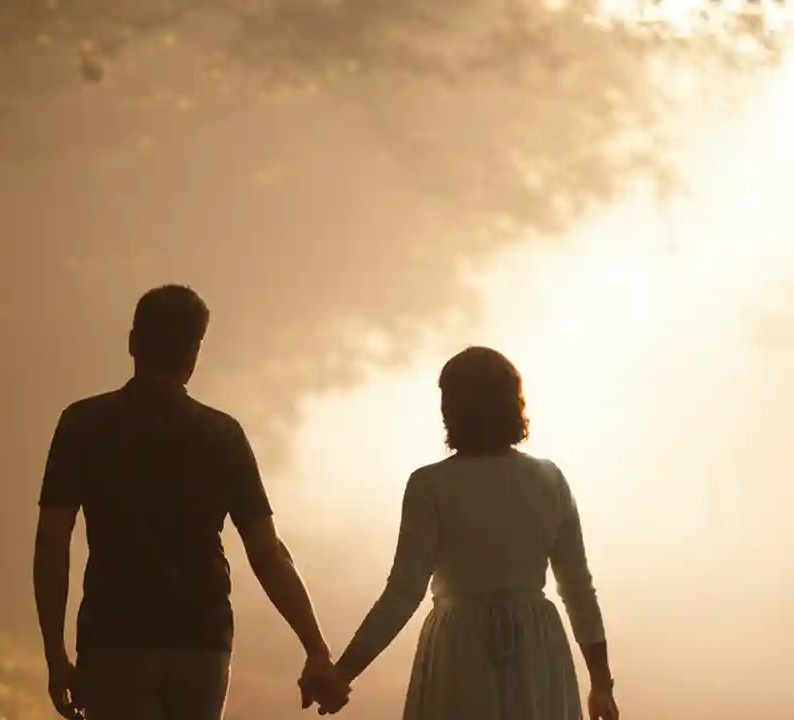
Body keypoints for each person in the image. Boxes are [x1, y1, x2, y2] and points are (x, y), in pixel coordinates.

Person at [33, 284, 338, 720]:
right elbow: (266, 553)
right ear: (194, 354)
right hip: (201, 638)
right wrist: (315, 648)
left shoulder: (83, 425)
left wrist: (54, 656)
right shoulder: (222, 435)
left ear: (133, 342)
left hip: (114, 636)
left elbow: (51, 543)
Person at [303, 346, 620, 720]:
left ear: (452, 409)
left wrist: (343, 673)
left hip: (460, 650)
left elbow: (403, 593)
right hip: (538, 650)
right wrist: (601, 684)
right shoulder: (549, 479)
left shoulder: (430, 484)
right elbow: (577, 588)